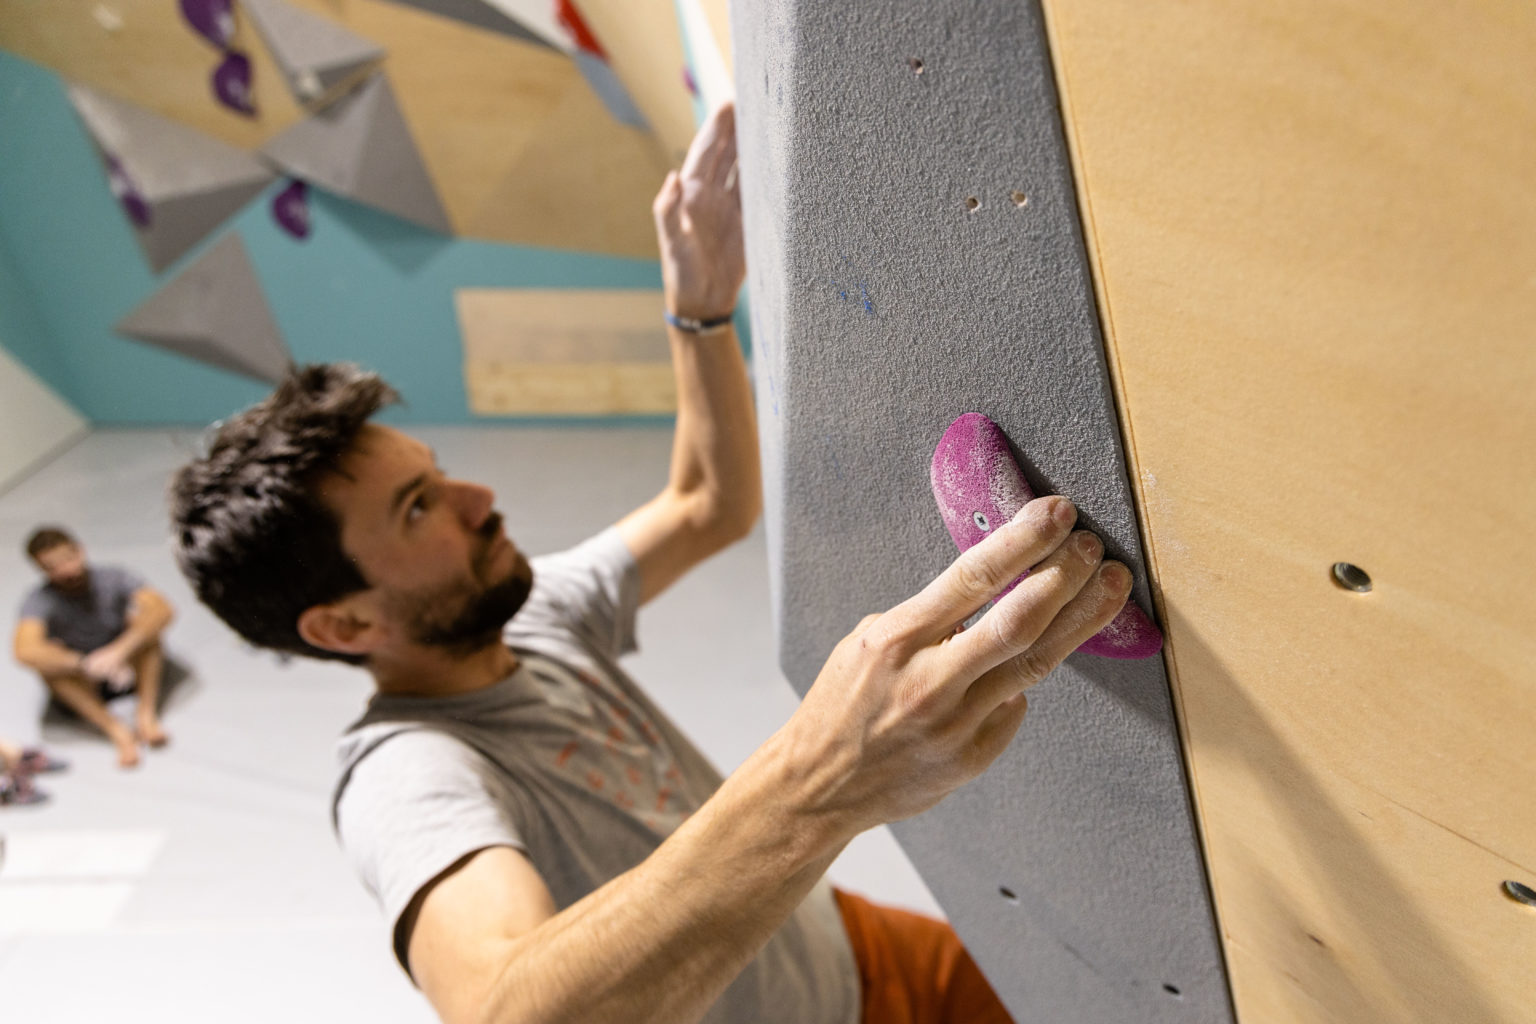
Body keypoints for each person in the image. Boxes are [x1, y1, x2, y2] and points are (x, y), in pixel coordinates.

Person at [168, 103, 1133, 1024]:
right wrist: (822, 778)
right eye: (419, 508)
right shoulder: (409, 778)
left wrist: (701, 313)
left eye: (440, 474)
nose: (478, 501)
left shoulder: (529, 613)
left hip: (851, 951)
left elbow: (705, 504)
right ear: (342, 624)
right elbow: (508, 1010)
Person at [12, 527, 174, 768]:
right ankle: (117, 731)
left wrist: (120, 651)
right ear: (41, 569)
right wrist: (83, 662)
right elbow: (24, 650)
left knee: (146, 630)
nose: (66, 570)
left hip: (125, 660)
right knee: (47, 665)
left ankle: (146, 715)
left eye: (69, 558)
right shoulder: (39, 600)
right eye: (52, 566)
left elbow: (162, 609)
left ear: (80, 550)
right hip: (86, 674)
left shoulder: (114, 576)